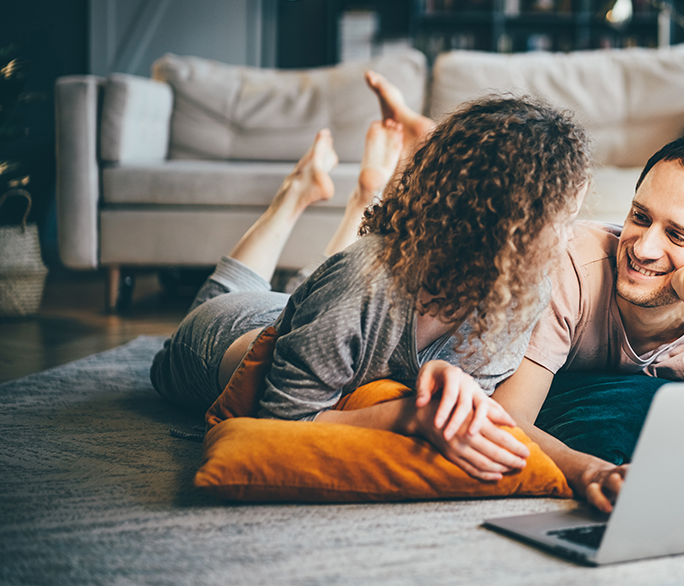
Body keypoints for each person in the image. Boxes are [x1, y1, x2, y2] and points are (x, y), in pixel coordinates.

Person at [150, 86, 593, 482]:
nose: (573, 236)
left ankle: (352, 198)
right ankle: (294, 195)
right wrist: (406, 416)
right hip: (220, 339)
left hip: (316, 320)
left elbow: (466, 407)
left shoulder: (522, 294)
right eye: (564, 220)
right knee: (231, 302)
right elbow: (281, 421)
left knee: (314, 296)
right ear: (510, 227)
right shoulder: (364, 281)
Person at [489, 134, 684, 512]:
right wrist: (591, 473)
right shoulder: (569, 266)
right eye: (640, 217)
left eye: (678, 236)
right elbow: (507, 418)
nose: (643, 249)